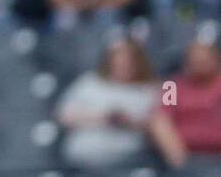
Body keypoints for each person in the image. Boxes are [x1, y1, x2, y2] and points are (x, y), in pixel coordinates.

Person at [56, 38, 159, 169]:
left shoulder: (153, 89)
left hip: (130, 160)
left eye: (129, 62)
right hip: (82, 161)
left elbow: (165, 123)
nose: (123, 65)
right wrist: (105, 117)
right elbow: (63, 117)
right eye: (118, 61)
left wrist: (128, 122)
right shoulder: (89, 82)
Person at [148, 38, 221, 168]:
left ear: (215, 60)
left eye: (204, 60)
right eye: (195, 61)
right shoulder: (171, 86)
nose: (200, 64)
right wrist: (179, 159)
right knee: (158, 122)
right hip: (184, 156)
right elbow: (161, 118)